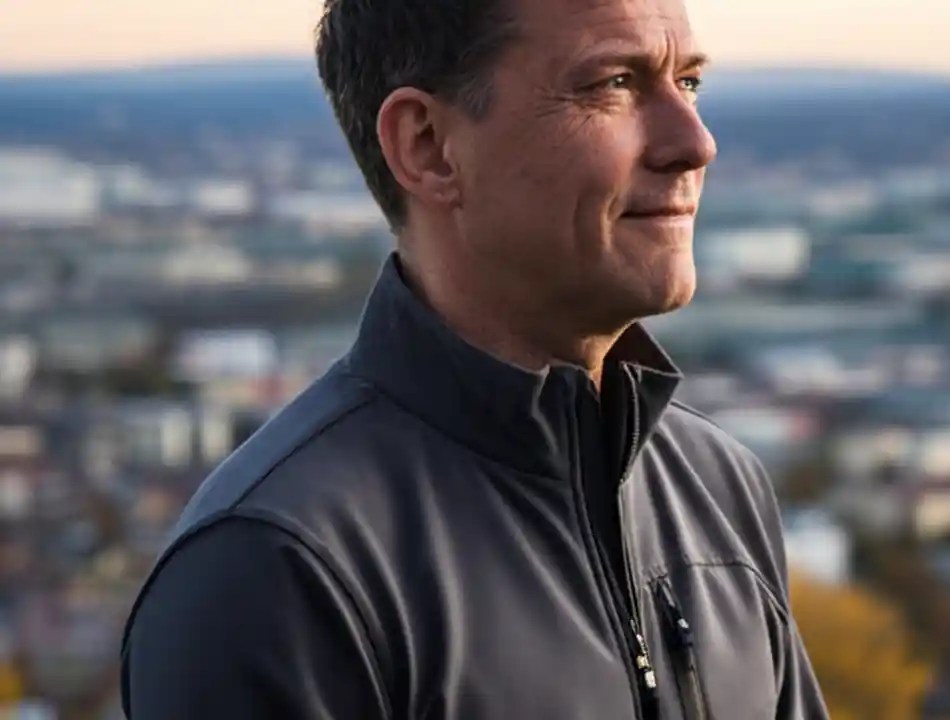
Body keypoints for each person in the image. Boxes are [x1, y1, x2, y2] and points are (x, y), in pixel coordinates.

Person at [119, 0, 829, 717]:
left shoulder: (718, 487)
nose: (695, 142)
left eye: (690, 83)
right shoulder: (276, 566)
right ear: (427, 146)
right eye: (614, 83)